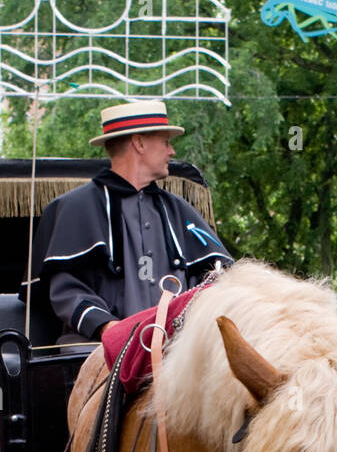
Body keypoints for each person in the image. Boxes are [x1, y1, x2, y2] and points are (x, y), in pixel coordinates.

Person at [21, 99, 233, 343]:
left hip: (176, 353)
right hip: (96, 350)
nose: (172, 151)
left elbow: (212, 278)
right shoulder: (75, 208)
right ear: (139, 143)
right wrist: (108, 328)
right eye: (165, 142)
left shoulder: (180, 210)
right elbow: (67, 291)